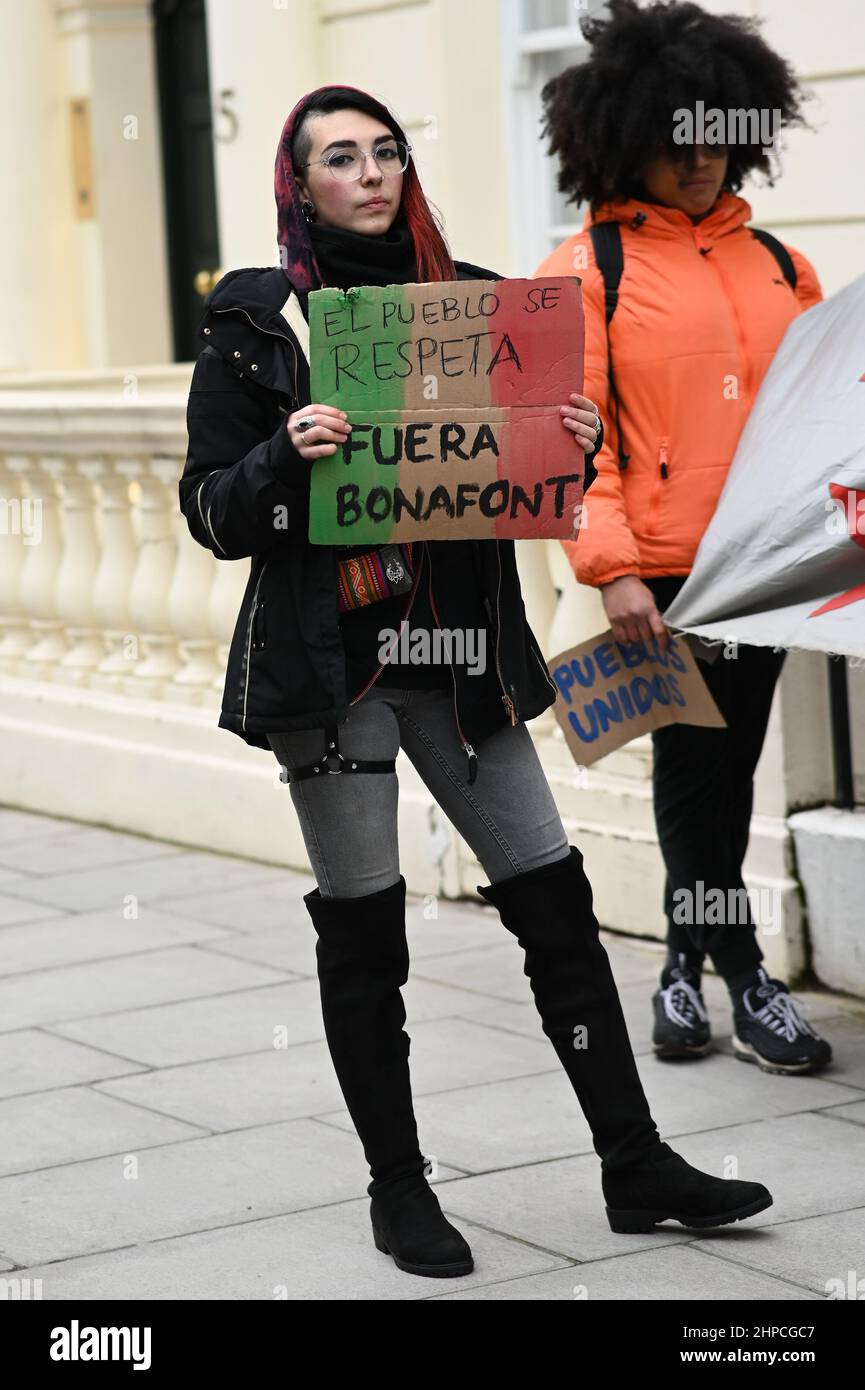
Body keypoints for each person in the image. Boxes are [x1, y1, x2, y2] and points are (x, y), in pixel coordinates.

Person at [179, 82, 774, 1282]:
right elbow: (212, 510)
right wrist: (281, 458)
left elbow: (522, 479)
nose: (374, 173)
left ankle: (634, 1163)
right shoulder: (255, 321)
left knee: (555, 909)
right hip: (340, 673)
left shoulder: (487, 306)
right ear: (299, 184)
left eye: (388, 151)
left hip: (461, 667)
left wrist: (567, 436)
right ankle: (399, 1191)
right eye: (342, 158)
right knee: (365, 938)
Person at [536, 0, 832, 1076]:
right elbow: (576, 444)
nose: (700, 163)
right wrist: (612, 569)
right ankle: (743, 973)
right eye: (676, 142)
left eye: (717, 137)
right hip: (664, 572)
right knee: (697, 773)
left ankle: (679, 963)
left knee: (720, 771)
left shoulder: (780, 266)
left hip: (768, 566)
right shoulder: (590, 269)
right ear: (625, 139)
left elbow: (817, 417)